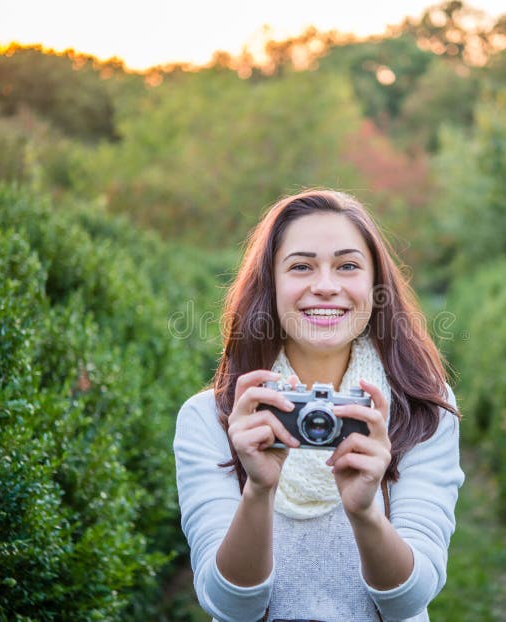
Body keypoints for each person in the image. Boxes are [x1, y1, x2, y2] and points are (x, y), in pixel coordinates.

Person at [174, 189, 464, 622]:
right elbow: (229, 604)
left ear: (374, 286)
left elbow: (410, 598)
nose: (325, 286)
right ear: (270, 285)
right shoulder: (214, 419)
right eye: (301, 266)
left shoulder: (420, 409)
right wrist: (257, 490)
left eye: (347, 266)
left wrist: (366, 512)